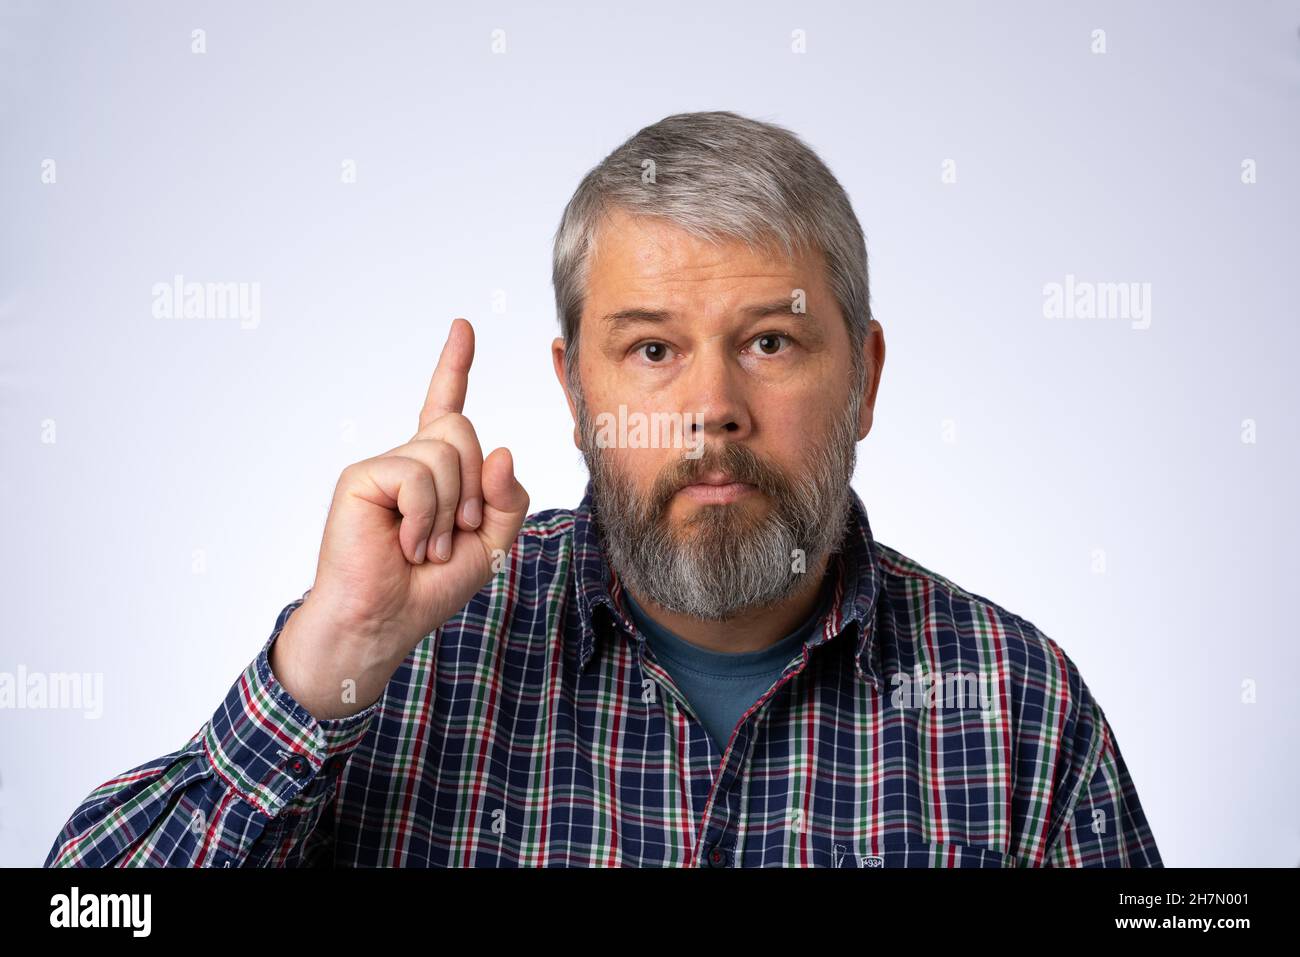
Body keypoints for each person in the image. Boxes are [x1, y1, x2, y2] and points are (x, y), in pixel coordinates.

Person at [45, 110, 1161, 868]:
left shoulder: (1017, 712)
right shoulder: (398, 665)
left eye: (770, 343)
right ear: (574, 393)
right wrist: (323, 665)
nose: (712, 408)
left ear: (863, 379)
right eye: (650, 350)